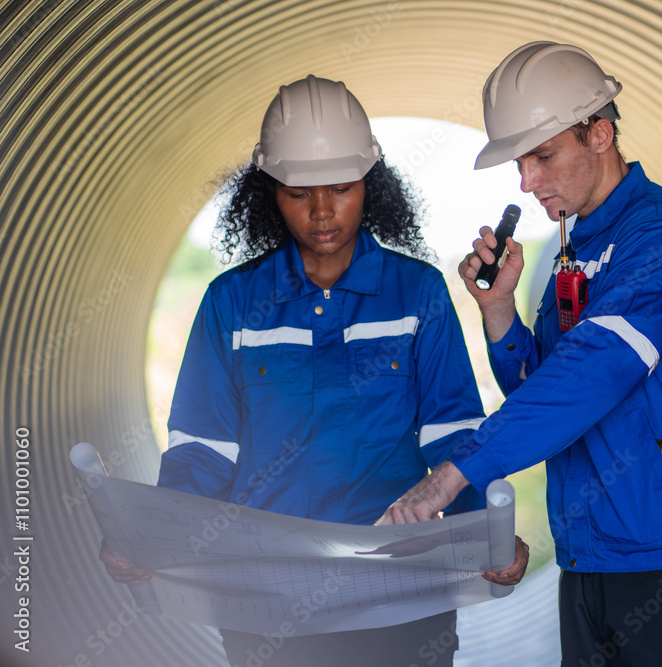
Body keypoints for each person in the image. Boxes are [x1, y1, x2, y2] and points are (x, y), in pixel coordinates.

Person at [100, 75, 528, 666]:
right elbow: (202, 450)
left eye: (341, 188)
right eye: (299, 193)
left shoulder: (417, 294)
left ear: (370, 185)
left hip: (401, 595)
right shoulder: (232, 304)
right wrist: (154, 537)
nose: (322, 211)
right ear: (268, 192)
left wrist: (486, 535)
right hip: (264, 600)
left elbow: (452, 437)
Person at [378, 42, 662, 665]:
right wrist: (499, 313)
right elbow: (543, 393)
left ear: (600, 135)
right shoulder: (574, 251)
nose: (527, 183)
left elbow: (590, 377)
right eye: (520, 164)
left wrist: (451, 476)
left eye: (544, 156)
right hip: (590, 559)